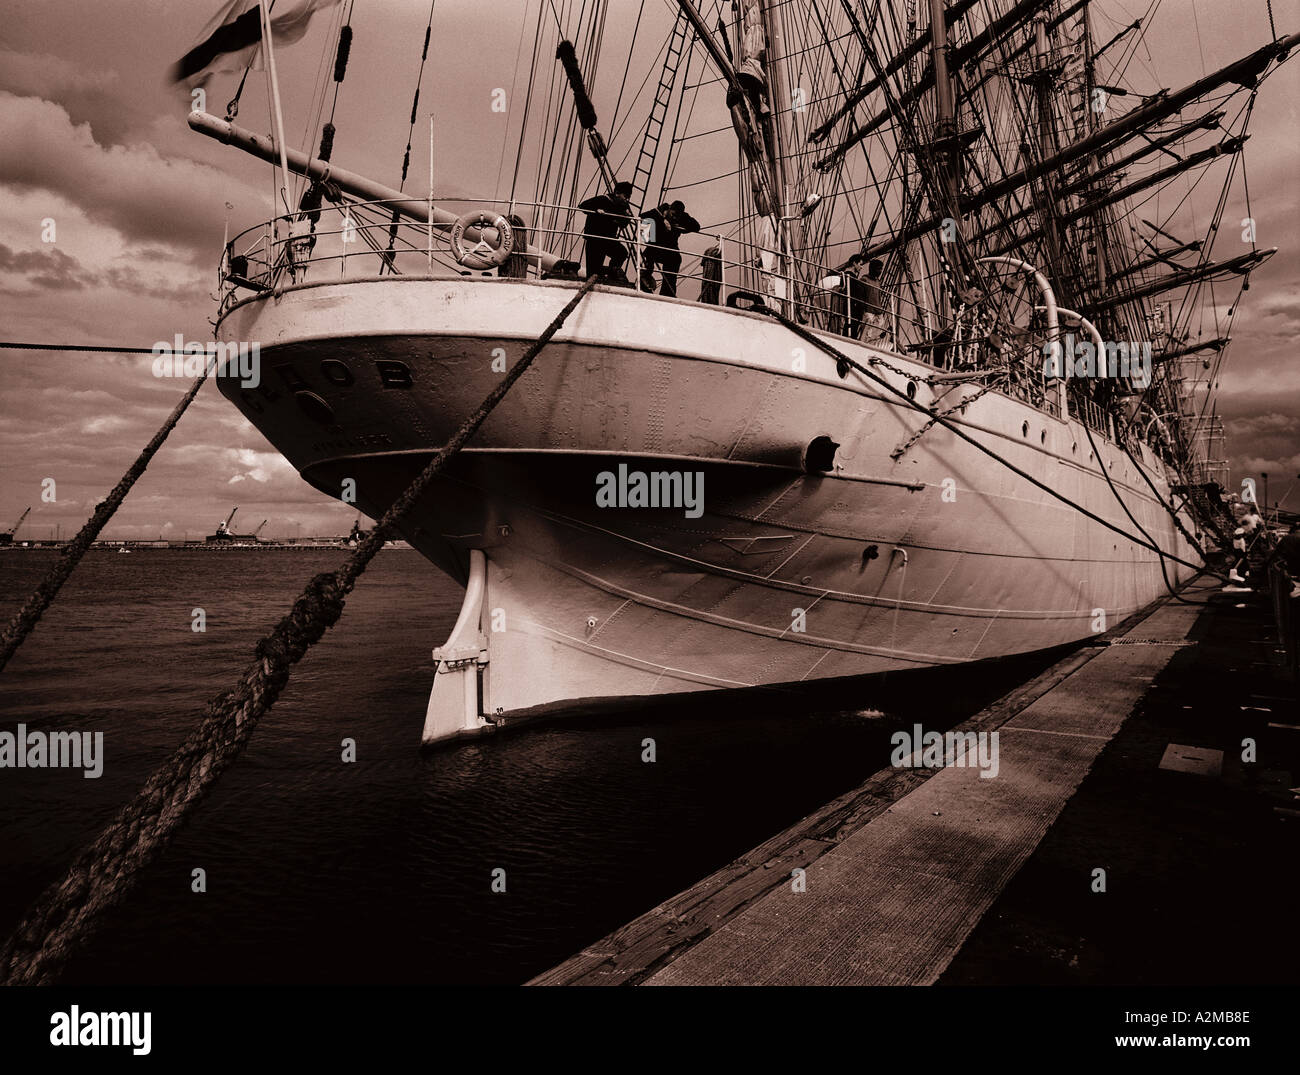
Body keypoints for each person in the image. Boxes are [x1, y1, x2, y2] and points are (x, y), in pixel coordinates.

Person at [639, 199, 700, 297]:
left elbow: (696, 226)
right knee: (648, 263)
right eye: (673, 214)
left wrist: (678, 226)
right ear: (669, 209)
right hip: (654, 247)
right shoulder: (657, 212)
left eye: (677, 216)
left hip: (670, 250)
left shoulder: (682, 217)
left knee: (676, 260)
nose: (674, 217)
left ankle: (667, 294)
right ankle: (645, 280)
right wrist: (662, 221)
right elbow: (641, 218)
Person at [578, 181, 634, 281]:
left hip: (608, 239)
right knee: (592, 271)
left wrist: (620, 219)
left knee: (621, 253)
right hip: (595, 239)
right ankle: (602, 273)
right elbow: (583, 205)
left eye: (629, 196)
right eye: (625, 196)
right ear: (617, 193)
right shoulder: (603, 199)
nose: (627, 199)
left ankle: (612, 273)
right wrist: (596, 210)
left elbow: (625, 223)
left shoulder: (624, 206)